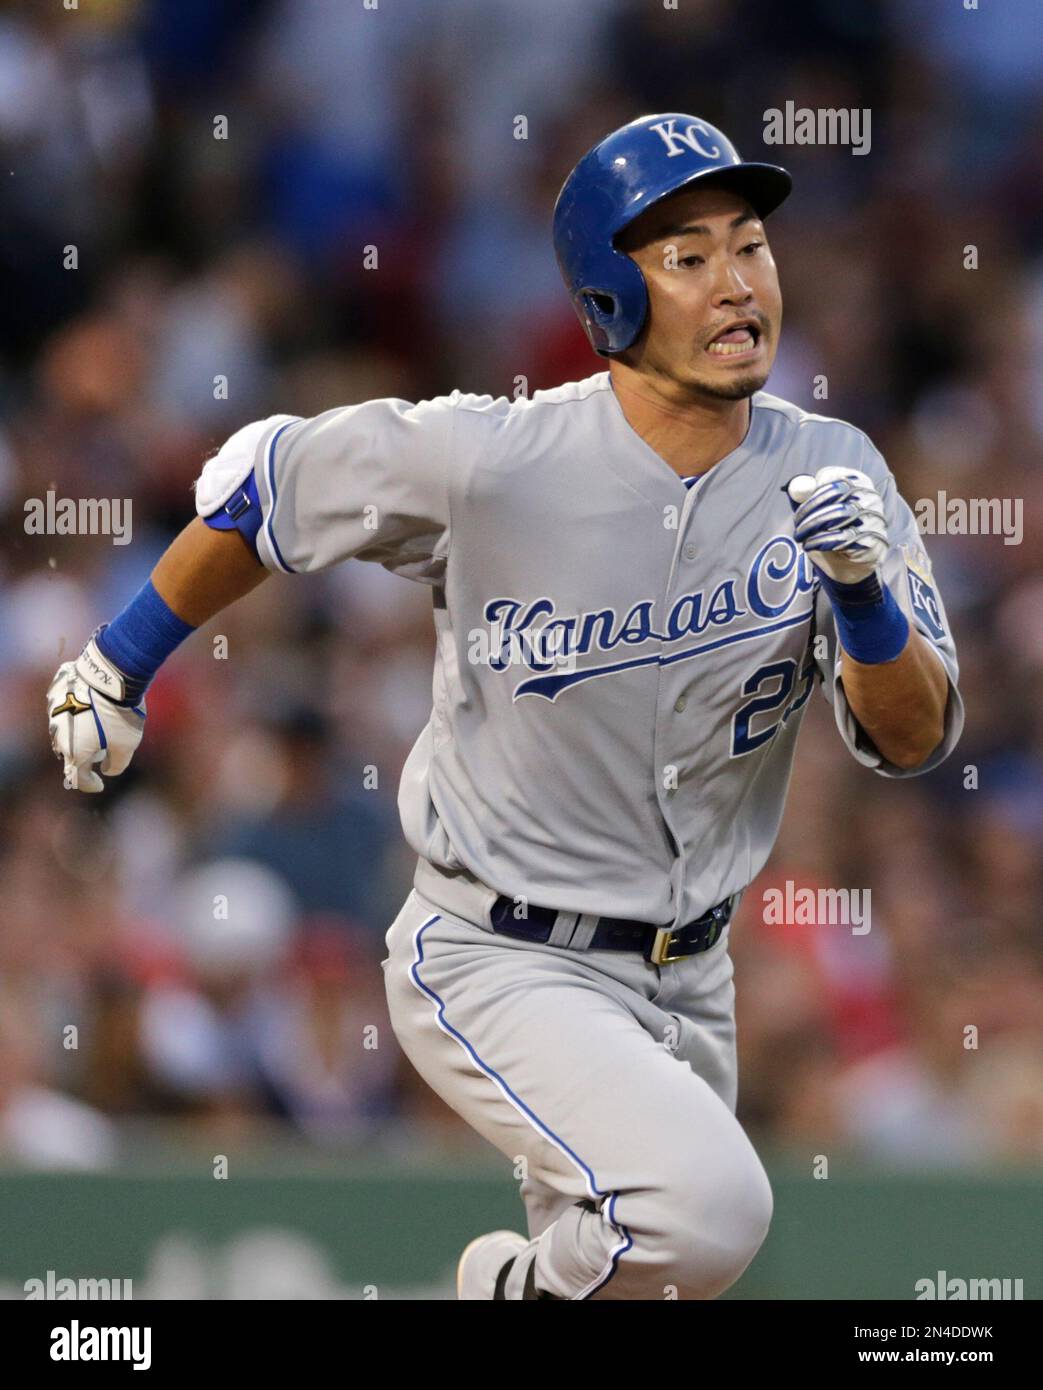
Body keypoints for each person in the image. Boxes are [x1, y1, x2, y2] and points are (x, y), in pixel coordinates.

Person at [47, 114, 963, 1300]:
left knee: (661, 1266)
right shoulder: (496, 459)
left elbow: (909, 736)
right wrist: (119, 660)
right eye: (687, 258)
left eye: (750, 246)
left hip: (692, 974)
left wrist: (862, 600)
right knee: (709, 1211)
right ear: (607, 301)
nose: (737, 283)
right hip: (499, 949)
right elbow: (263, 495)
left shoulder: (834, 468)